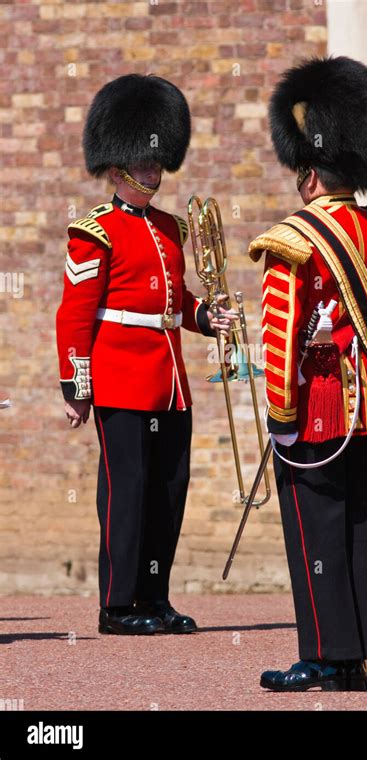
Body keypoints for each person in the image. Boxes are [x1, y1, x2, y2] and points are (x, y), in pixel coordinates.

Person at [248, 57, 367, 691]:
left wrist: (281, 415)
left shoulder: (295, 238)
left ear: (310, 172)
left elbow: (279, 333)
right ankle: (353, 658)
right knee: (360, 525)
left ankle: (323, 655)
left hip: (319, 402)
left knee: (314, 528)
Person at [56, 74, 236, 635]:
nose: (154, 174)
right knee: (126, 494)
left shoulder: (169, 229)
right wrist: (76, 386)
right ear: (117, 170)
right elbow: (75, 315)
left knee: (167, 492)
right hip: (119, 380)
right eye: (144, 165)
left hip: (169, 381)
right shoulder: (95, 232)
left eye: (157, 165)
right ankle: (117, 605)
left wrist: (210, 318)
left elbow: (176, 303)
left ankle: (154, 597)